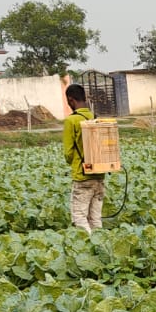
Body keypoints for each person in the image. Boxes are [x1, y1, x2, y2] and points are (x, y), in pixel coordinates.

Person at [62, 83, 104, 233]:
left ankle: (87, 249)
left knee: (79, 217)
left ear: (71, 100)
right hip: (99, 175)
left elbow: (68, 153)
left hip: (82, 176)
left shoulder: (71, 121)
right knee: (95, 219)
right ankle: (101, 247)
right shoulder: (95, 117)